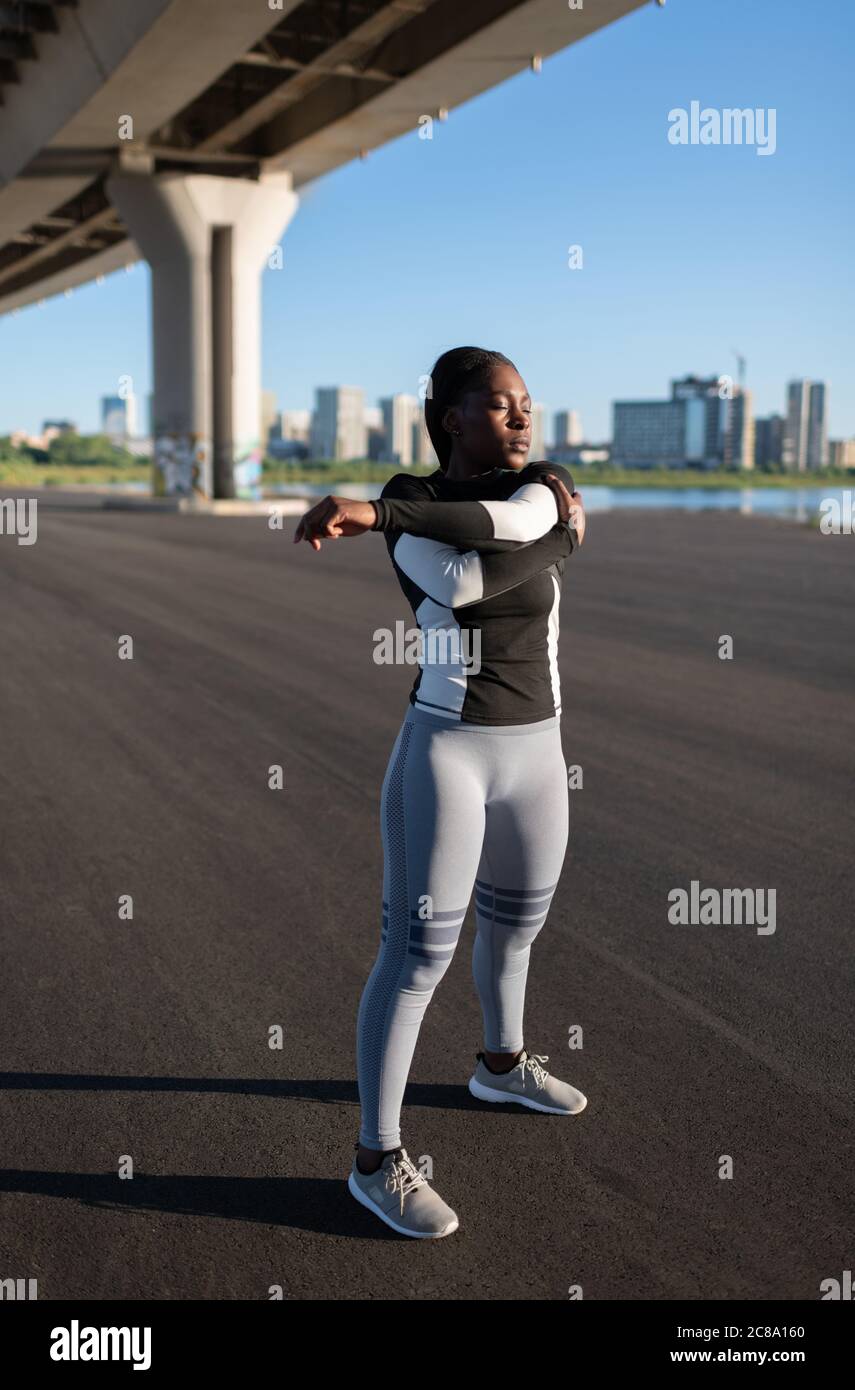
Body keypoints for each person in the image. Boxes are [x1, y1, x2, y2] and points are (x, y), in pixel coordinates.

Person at [294, 347, 588, 1238]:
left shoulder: (542, 482)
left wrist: (543, 527)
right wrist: (560, 542)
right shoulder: (412, 500)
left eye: (526, 403)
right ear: (449, 418)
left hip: (539, 752)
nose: (521, 418)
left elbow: (514, 526)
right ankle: (375, 1161)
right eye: (498, 406)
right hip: (447, 753)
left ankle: (499, 1064)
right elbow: (465, 579)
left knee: (517, 926)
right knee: (417, 956)